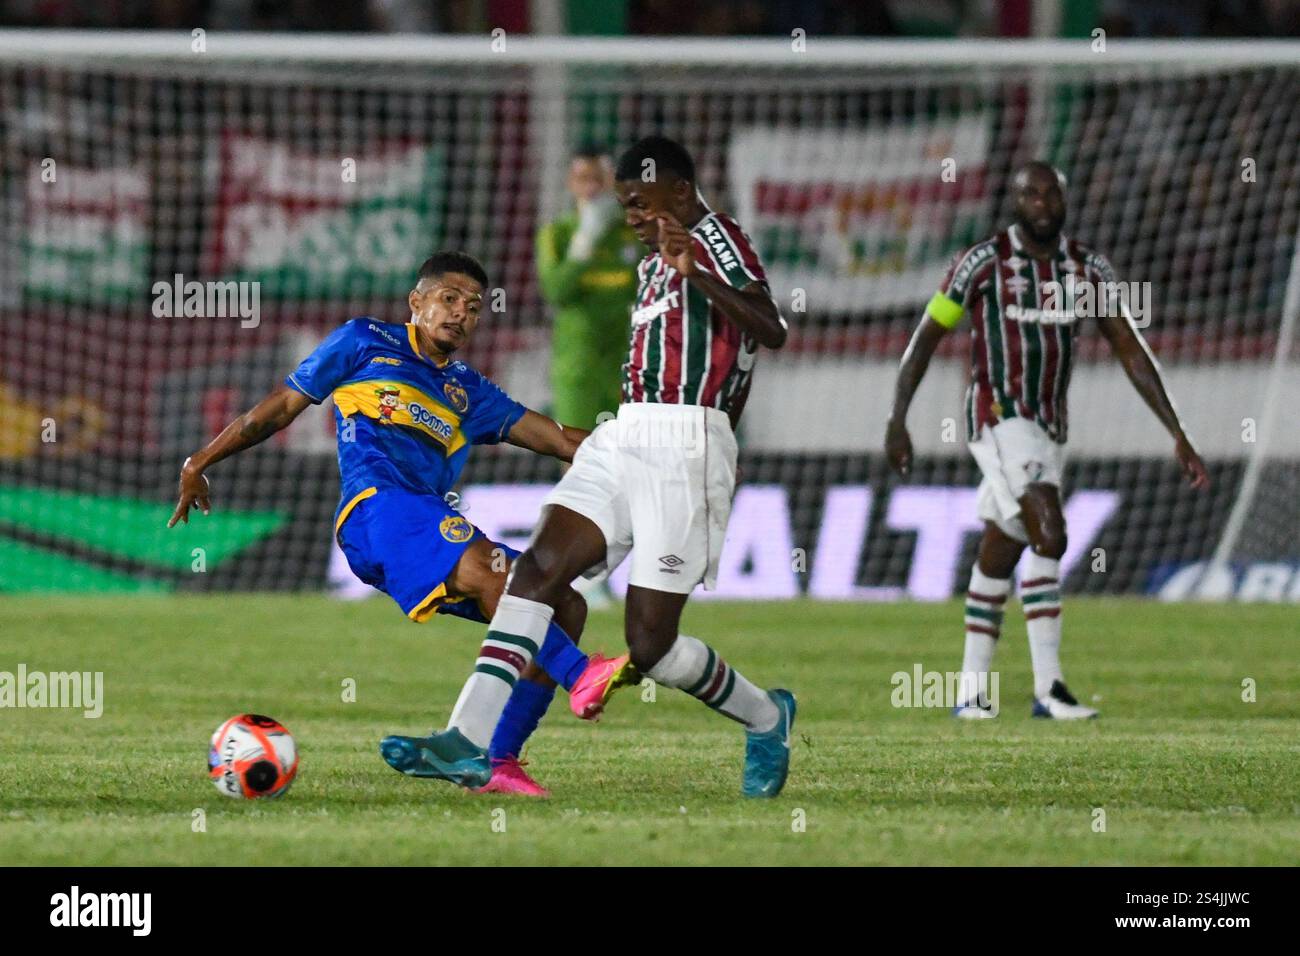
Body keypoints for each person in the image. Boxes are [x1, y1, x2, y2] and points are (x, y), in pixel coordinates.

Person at [384, 136, 797, 798]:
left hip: (689, 440)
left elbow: (772, 328)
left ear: (683, 194)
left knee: (653, 647)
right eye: (624, 204)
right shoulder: (653, 261)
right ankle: (468, 743)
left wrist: (698, 272)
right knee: (536, 571)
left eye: (640, 203)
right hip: (627, 428)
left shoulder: (718, 240)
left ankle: (769, 717)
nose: (631, 216)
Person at [168, 251, 631, 797]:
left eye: (474, 307)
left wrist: (645, 449)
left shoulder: (469, 391)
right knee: (493, 572)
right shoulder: (363, 340)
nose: (461, 313)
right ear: (418, 302)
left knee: (562, 601)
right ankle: (580, 675)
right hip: (375, 510)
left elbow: (557, 439)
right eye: (449, 299)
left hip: (419, 522)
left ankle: (498, 760)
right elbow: (278, 407)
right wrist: (200, 461)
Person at [885, 161, 1210, 719]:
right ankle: (1049, 688)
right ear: (1014, 202)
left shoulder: (1087, 269)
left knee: (1003, 544)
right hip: (996, 414)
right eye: (1030, 194)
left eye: (1051, 194)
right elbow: (927, 336)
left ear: (1065, 200)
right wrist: (898, 416)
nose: (1041, 203)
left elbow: (1130, 348)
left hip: (1050, 425)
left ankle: (971, 692)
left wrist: (1176, 429)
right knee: (1051, 531)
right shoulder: (981, 263)